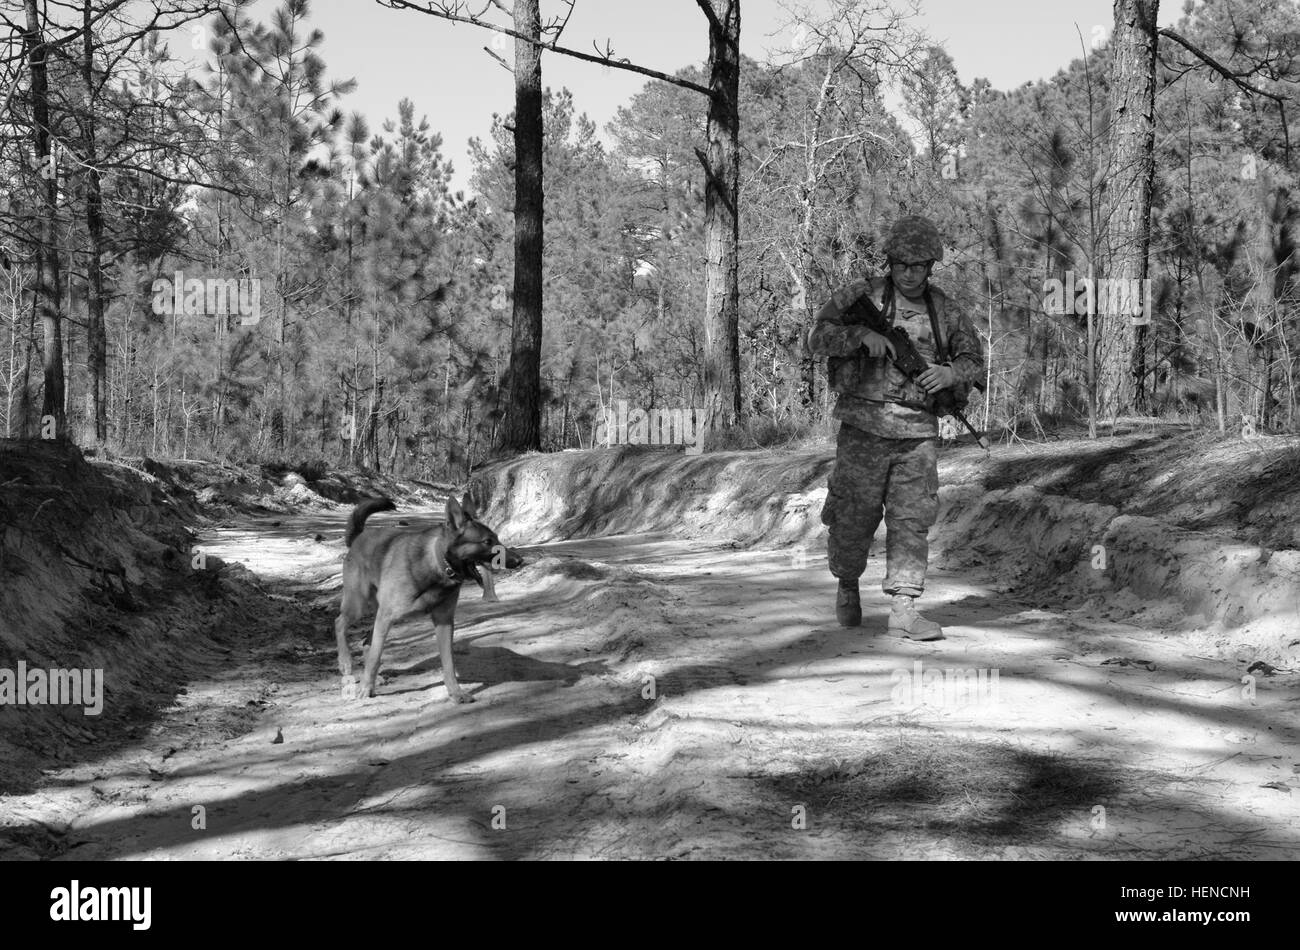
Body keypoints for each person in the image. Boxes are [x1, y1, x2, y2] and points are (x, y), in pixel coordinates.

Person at [807, 215, 985, 640]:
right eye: (901, 265)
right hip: (863, 428)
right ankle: (847, 583)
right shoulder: (861, 296)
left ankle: (903, 606)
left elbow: (974, 362)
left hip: (916, 432)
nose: (909, 273)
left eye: (918, 266)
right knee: (853, 515)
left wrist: (948, 374)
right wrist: (858, 337)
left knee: (911, 518)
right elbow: (815, 338)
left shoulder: (946, 311)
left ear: (931, 266)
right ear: (890, 262)